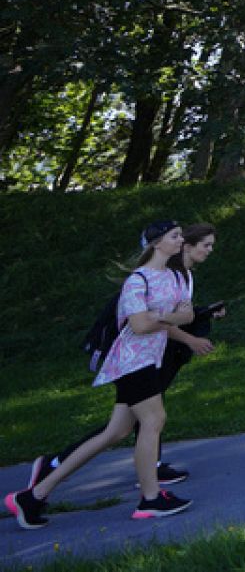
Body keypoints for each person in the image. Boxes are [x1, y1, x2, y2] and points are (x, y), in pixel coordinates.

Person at [8, 220, 198, 528]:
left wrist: (160, 316)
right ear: (156, 243)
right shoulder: (137, 281)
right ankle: (151, 498)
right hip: (130, 362)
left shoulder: (175, 278)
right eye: (175, 236)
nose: (181, 240)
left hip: (151, 359)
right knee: (153, 420)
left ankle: (32, 497)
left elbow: (187, 315)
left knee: (115, 432)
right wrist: (167, 316)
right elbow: (138, 326)